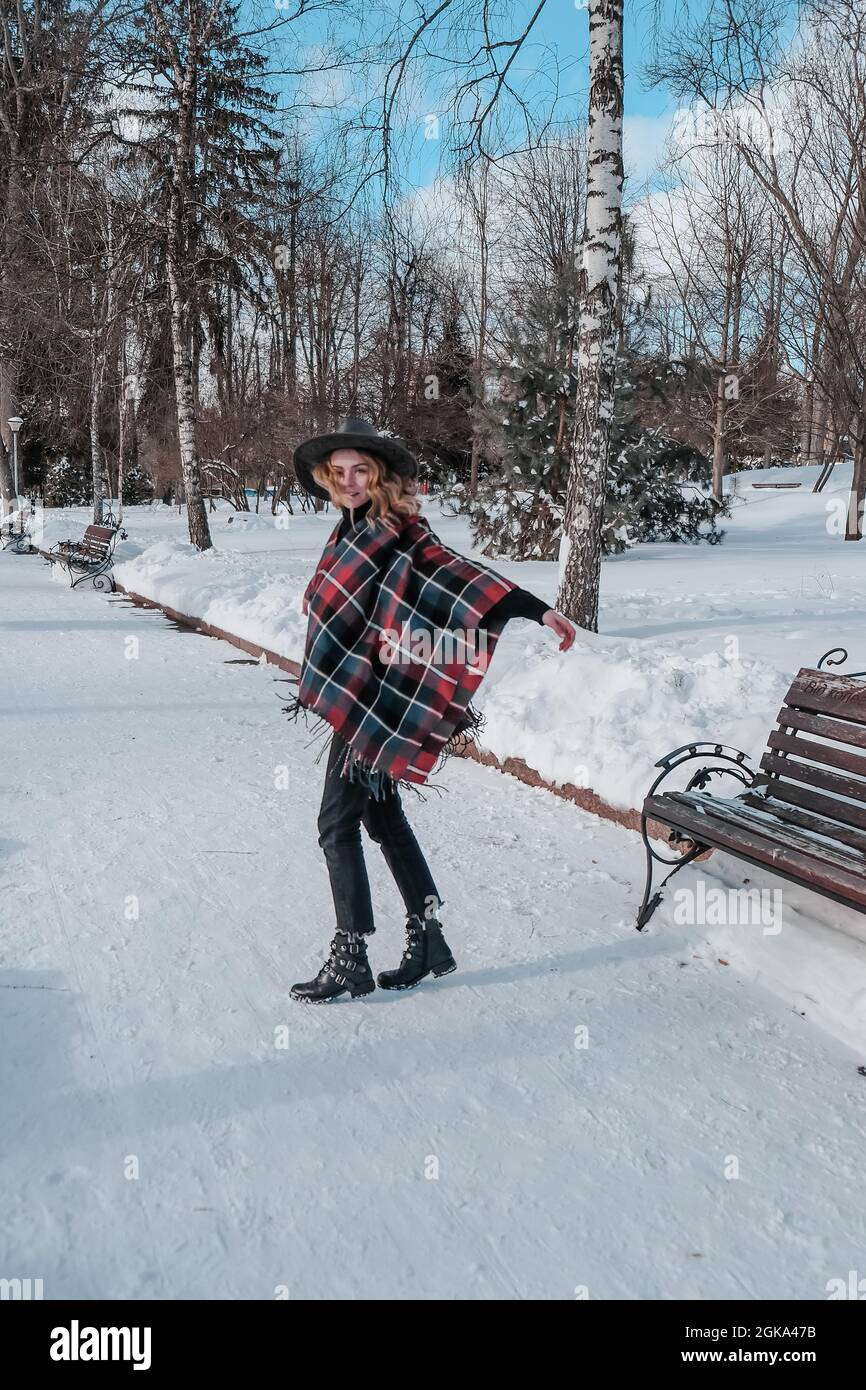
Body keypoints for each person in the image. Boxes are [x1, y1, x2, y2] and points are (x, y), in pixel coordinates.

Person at [285, 418, 576, 1003]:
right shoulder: (346, 532)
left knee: (335, 824)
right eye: (338, 472)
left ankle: (350, 955)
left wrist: (537, 609)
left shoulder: (399, 529)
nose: (349, 480)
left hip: (380, 699)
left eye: (360, 470)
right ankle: (427, 937)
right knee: (382, 818)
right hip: (369, 693)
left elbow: (458, 577)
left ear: (381, 475)